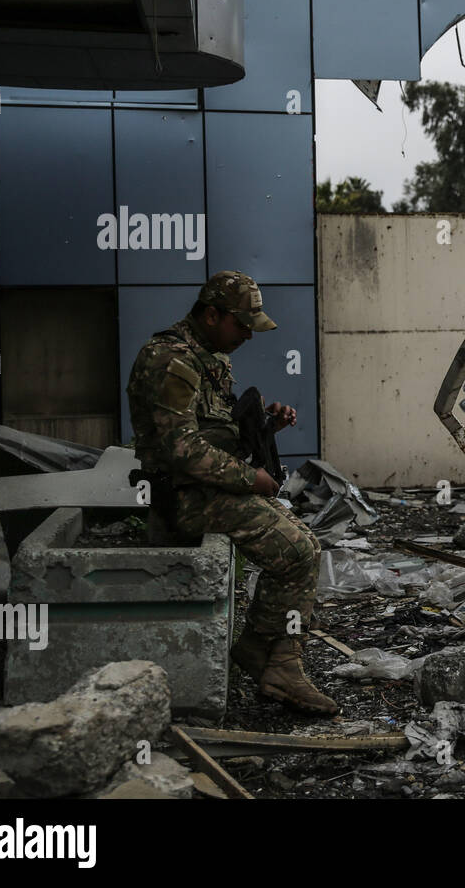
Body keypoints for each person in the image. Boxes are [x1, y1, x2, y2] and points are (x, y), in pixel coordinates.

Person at [126, 270, 339, 716]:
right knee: (298, 551)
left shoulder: (210, 356)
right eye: (240, 325)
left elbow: (216, 429)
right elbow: (180, 448)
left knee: (305, 544)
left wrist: (268, 426)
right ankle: (270, 658)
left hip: (207, 487)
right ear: (210, 315)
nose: (247, 335)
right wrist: (249, 479)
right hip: (182, 497)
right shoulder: (172, 360)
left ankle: (275, 657)